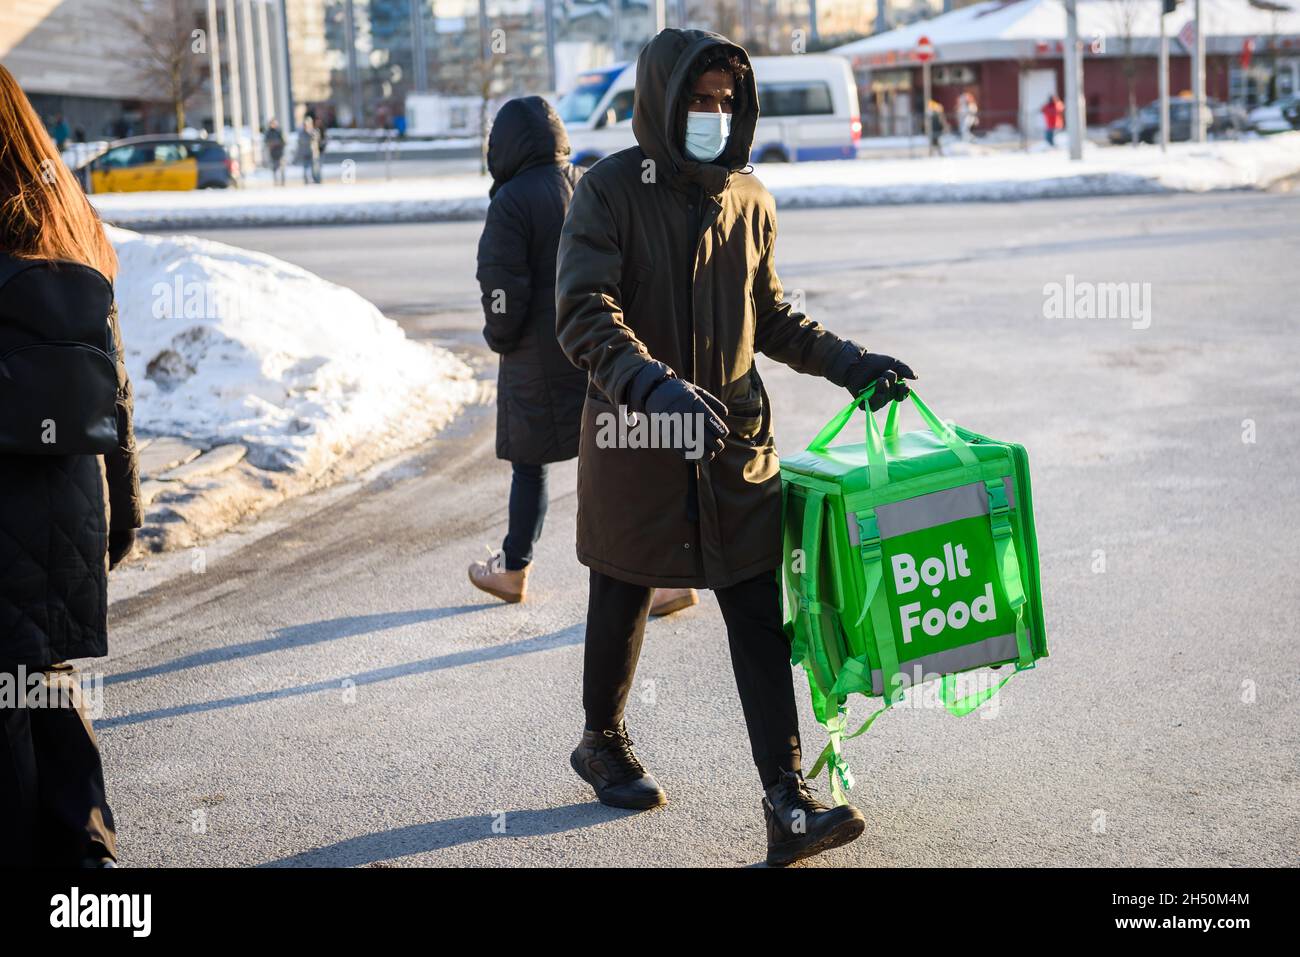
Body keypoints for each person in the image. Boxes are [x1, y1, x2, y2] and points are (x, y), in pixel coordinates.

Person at [555, 29, 915, 866]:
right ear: (663, 102)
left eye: (726, 100)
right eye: (699, 100)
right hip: (640, 434)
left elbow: (773, 316)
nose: (715, 114)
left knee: (757, 615)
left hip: (734, 444)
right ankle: (601, 739)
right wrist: (650, 385)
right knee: (623, 585)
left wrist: (850, 364)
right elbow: (584, 313)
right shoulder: (606, 192)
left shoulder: (750, 196)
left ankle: (787, 799)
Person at [0, 64, 142, 868]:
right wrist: (122, 515)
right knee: (45, 691)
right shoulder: (68, 223)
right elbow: (115, 394)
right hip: (65, 513)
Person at [465, 97, 587, 604]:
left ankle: (513, 569)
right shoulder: (585, 182)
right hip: (597, 348)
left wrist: (499, 337)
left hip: (535, 360)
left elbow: (501, 287)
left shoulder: (512, 200)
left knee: (529, 466)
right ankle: (664, 580)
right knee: (616, 461)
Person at [296, 115, 322, 185]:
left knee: (315, 168)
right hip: (305, 152)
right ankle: (306, 181)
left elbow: (318, 139)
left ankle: (317, 181)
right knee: (306, 168)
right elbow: (302, 141)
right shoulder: (302, 133)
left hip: (314, 153)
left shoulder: (314, 131)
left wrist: (312, 134)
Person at [264, 118, 286, 187]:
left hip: (280, 152)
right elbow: (266, 142)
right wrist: (271, 144)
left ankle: (283, 182)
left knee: (282, 168)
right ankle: (276, 181)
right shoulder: (268, 132)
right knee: (274, 168)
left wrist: (277, 143)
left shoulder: (279, 131)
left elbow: (284, 141)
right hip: (272, 153)